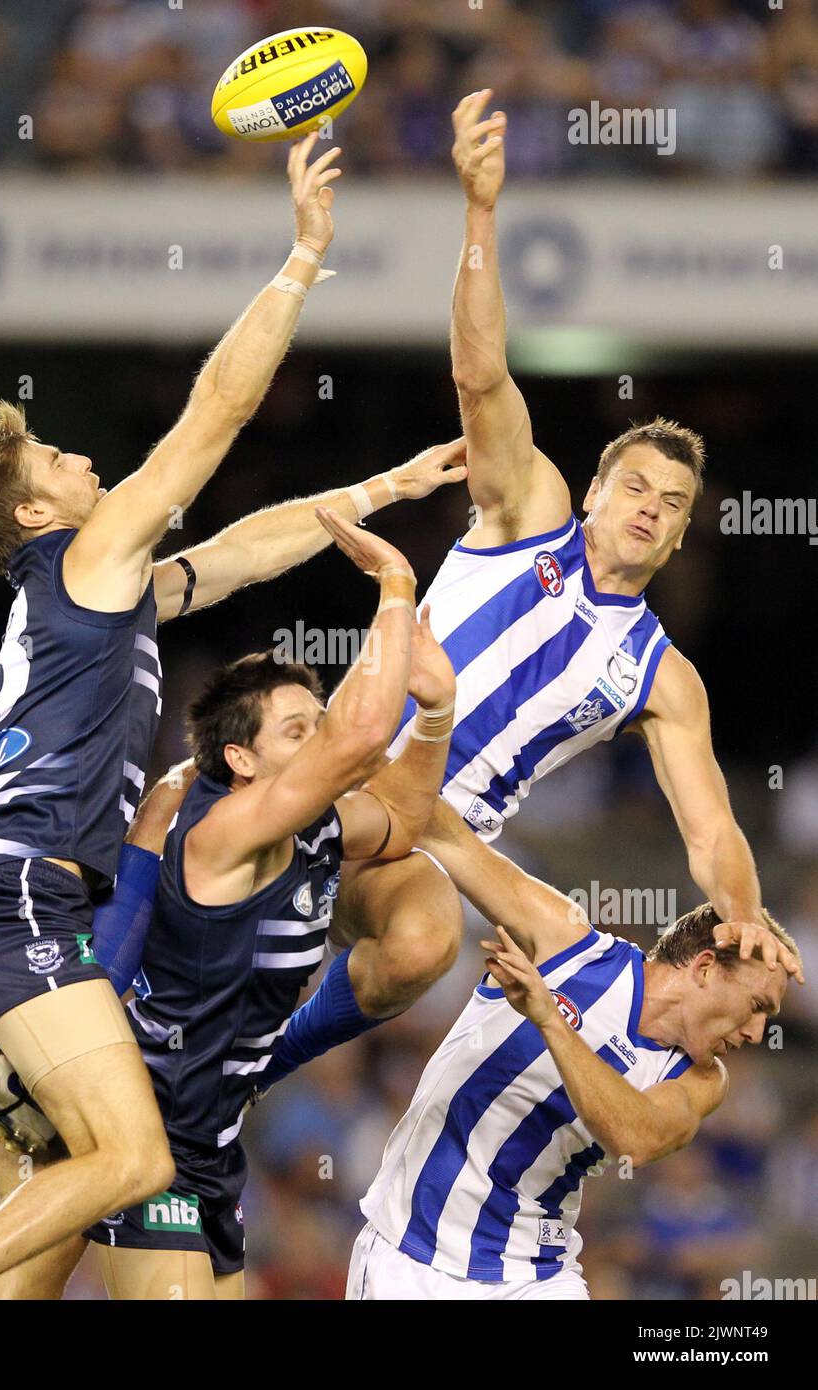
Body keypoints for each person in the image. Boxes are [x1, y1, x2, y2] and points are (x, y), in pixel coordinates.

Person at [254, 89, 804, 1095]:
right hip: (339, 759)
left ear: (680, 535)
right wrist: (477, 211)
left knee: (420, 950)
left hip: (427, 830)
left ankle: (241, 1073)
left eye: (669, 501)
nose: (646, 505)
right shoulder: (529, 515)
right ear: (593, 492)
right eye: (632, 484)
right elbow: (479, 376)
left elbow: (710, 829)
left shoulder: (661, 675)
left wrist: (737, 907)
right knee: (218, 884)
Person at [0, 132, 349, 1302]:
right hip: (24, 896)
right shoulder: (85, 556)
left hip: (20, 902)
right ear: (35, 508)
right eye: (55, 452)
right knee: (132, 1158)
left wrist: (375, 495)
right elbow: (216, 415)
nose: (81, 453)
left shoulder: (99, 589)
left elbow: (237, 556)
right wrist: (299, 261)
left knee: (64, 1231)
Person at [92, 510, 457, 1298]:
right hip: (139, 1132)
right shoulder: (220, 830)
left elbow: (402, 813)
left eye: (317, 723)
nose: (320, 741)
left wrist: (434, 714)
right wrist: (395, 590)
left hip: (212, 1150)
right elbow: (359, 743)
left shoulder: (316, 826)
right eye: (297, 731)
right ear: (240, 760)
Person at [346, 839, 800, 1300]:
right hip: (410, 1257)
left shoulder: (702, 1078)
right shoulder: (566, 943)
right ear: (705, 967)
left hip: (534, 1277)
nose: (757, 1033)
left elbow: (638, 1138)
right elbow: (451, 841)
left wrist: (551, 1020)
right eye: (757, 1006)